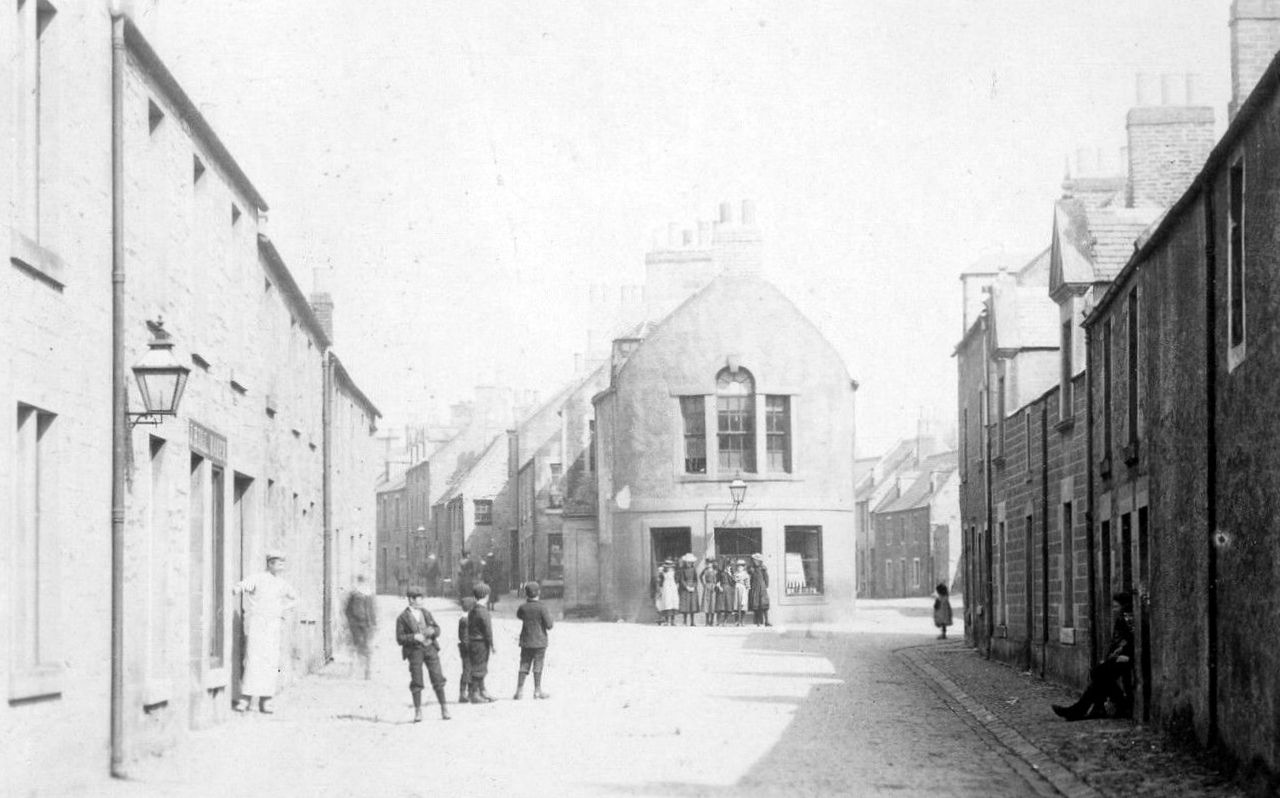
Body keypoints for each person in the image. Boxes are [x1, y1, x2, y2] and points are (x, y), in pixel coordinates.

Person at [1052, 592, 1135, 721]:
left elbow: (1136, 641)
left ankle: (1089, 709)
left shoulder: (1131, 620)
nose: (1114, 609)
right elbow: (1115, 643)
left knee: (1098, 673)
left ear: (1124, 606)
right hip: (1120, 657)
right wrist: (1107, 658)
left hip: (1129, 659)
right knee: (1099, 674)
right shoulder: (1120, 619)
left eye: (1116, 606)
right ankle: (1098, 708)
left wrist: (1129, 656)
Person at [232, 551, 298, 713]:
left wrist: (282, 608)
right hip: (258, 623)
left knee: (270, 661)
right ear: (269, 564)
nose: (281, 566)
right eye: (278, 562)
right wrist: (236, 589)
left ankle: (266, 700)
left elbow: (295, 598)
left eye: (283, 563)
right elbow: (241, 586)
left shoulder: (282, 583)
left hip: (273, 625)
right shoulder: (258, 578)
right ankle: (245, 698)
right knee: (253, 659)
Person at [395, 586, 451, 722]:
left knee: (438, 677)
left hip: (430, 648)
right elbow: (400, 638)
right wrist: (414, 637)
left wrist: (433, 631)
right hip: (414, 651)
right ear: (411, 599)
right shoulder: (402, 618)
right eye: (420, 598)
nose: (422, 600)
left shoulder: (426, 613)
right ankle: (418, 711)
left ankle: (444, 708)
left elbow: (437, 629)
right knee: (417, 680)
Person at [513, 581, 554, 700]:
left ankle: (519, 691)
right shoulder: (542, 607)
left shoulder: (523, 607)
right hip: (540, 641)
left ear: (526, 594)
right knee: (538, 664)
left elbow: (519, 616)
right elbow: (549, 625)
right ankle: (537, 691)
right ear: (538, 593)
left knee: (524, 664)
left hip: (526, 640)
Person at [343, 573, 378, 679]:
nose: (362, 584)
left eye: (364, 581)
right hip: (357, 624)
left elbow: (372, 610)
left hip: (366, 624)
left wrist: (373, 623)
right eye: (361, 581)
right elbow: (348, 610)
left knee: (367, 646)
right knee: (357, 646)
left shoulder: (369, 594)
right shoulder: (354, 594)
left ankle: (367, 671)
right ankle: (356, 671)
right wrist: (351, 622)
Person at [467, 583, 497, 702]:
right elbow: (488, 630)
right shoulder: (483, 612)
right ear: (486, 596)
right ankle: (475, 694)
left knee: (479, 666)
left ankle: (482, 690)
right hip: (481, 643)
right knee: (479, 668)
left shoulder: (473, 610)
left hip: (473, 641)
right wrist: (492, 644)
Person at [456, 596, 475, 704]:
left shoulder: (463, 619)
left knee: (469, 669)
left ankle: (468, 692)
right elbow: (464, 636)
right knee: (468, 670)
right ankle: (464, 693)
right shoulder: (466, 620)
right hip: (468, 648)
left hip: (465, 647)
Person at [652, 559, 679, 626]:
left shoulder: (674, 572)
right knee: (667, 603)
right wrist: (660, 588)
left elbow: (677, 580)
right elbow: (660, 581)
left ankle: (673, 620)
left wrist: (676, 586)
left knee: (673, 603)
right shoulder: (663, 573)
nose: (669, 567)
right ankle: (667, 621)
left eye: (670, 566)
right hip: (666, 588)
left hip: (673, 588)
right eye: (667, 566)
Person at [677, 553, 700, 626]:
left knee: (692, 605)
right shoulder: (682, 570)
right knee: (685, 606)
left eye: (690, 562)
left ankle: (692, 621)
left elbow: (696, 580)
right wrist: (686, 587)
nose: (688, 563)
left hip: (692, 589)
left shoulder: (693, 569)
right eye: (687, 562)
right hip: (685, 589)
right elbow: (681, 579)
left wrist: (693, 587)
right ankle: (684, 621)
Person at [748, 553, 771, 627]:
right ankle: (757, 622)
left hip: (762, 588)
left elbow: (766, 578)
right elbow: (750, 577)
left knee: (764, 605)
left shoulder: (763, 569)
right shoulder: (752, 569)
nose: (755, 562)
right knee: (756, 605)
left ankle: (766, 621)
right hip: (755, 587)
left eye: (756, 560)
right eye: (754, 560)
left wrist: (765, 586)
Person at [699, 556, 720, 627]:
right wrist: (703, 584)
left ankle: (712, 621)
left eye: (710, 563)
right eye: (708, 563)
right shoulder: (705, 570)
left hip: (713, 587)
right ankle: (707, 621)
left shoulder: (715, 571)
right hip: (707, 587)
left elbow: (718, 579)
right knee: (706, 603)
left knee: (712, 603)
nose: (709, 564)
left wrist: (716, 584)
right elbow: (700, 576)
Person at [716, 556, 735, 626]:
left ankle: (725, 621)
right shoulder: (720, 572)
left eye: (729, 564)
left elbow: (734, 582)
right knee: (720, 607)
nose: (728, 566)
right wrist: (719, 586)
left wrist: (730, 574)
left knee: (728, 607)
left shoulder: (731, 571)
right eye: (727, 564)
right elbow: (717, 581)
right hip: (722, 589)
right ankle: (718, 621)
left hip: (729, 589)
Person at [732, 560, 751, 627]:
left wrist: (747, 591)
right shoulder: (734, 574)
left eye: (741, 566)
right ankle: (737, 621)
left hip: (743, 590)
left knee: (743, 606)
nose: (740, 568)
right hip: (736, 590)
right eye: (738, 566)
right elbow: (732, 582)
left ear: (744, 567)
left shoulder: (746, 574)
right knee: (736, 606)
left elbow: (748, 584)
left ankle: (742, 621)